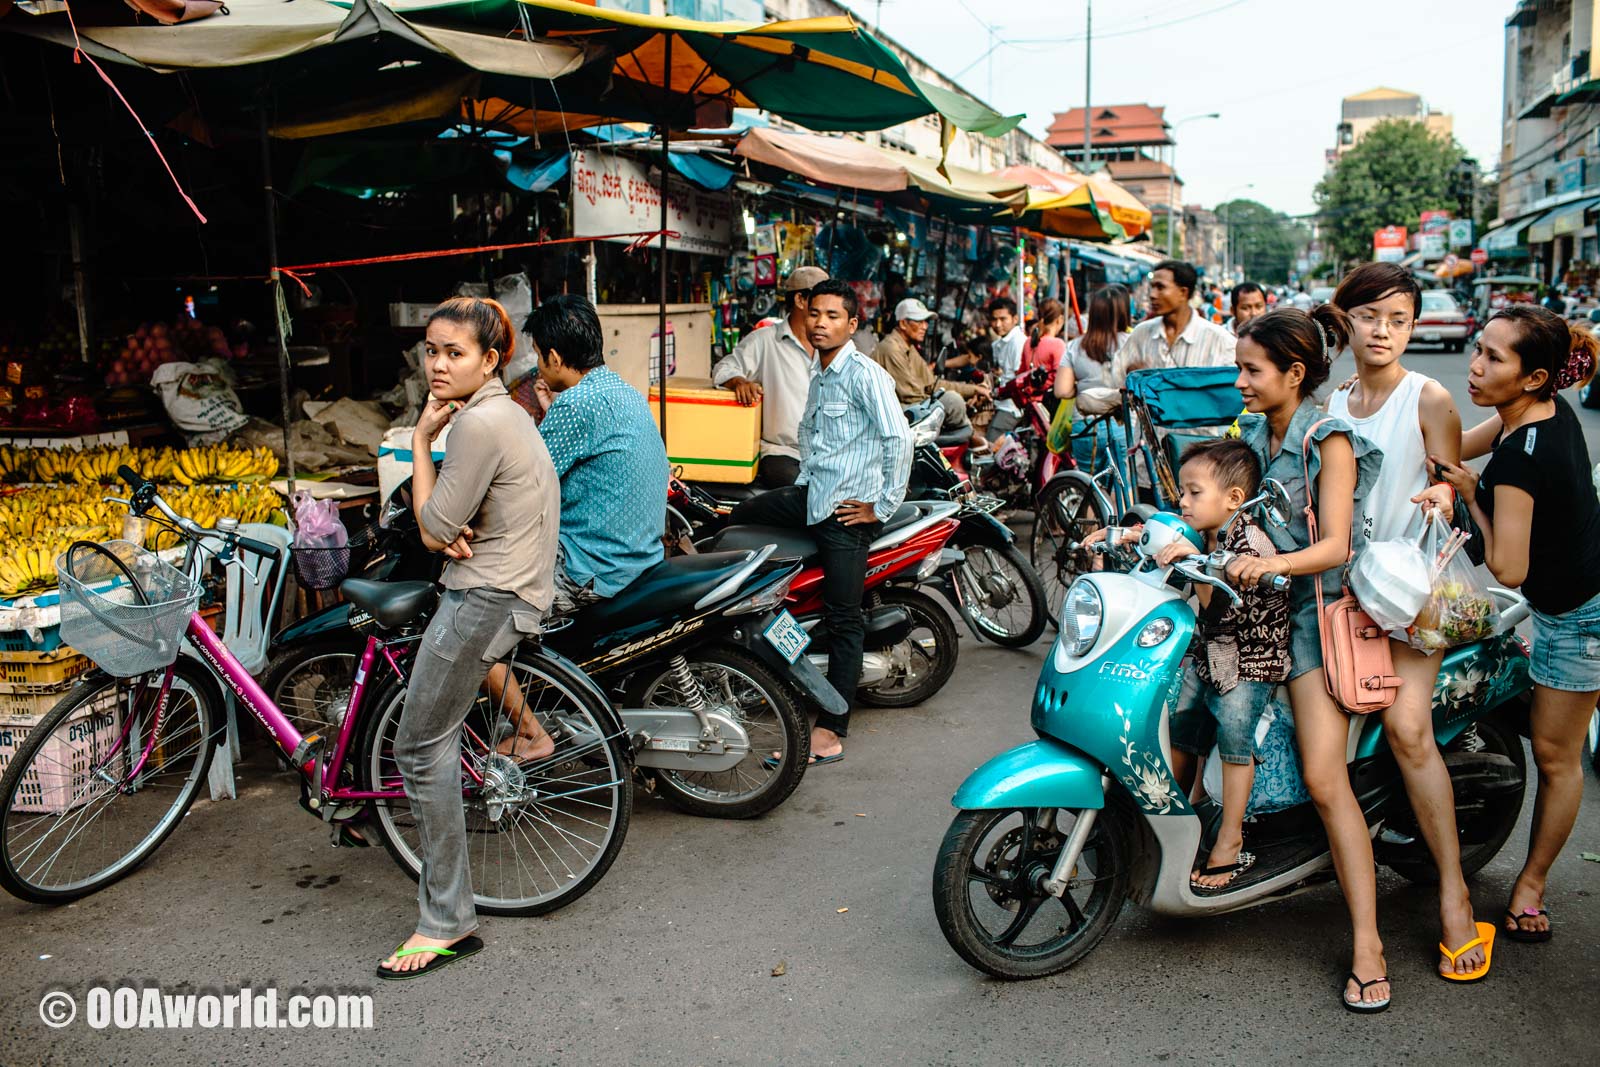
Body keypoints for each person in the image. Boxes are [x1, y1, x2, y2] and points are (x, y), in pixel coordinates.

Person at [379, 296, 560, 980]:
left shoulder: (477, 424)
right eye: (431, 350)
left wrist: (421, 442)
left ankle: (445, 921)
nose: (438, 364)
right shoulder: (503, 411)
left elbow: (429, 530)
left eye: (455, 353)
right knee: (435, 735)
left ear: (490, 360)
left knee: (419, 745)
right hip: (510, 586)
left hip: (488, 594)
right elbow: (448, 520)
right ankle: (447, 910)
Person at [1226, 305, 1392, 1013]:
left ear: (1294, 372)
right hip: (1254, 614)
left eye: (1251, 369)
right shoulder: (1255, 434)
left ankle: (1368, 943)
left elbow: (1335, 549)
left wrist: (1273, 566)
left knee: (1328, 781)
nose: (1239, 380)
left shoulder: (1329, 438)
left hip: (1313, 626)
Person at [1327, 263, 1488, 980]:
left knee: (1406, 727)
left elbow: (1452, 481)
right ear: (1348, 321)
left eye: (1397, 317)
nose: (1383, 330)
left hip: (1416, 589)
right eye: (1370, 316)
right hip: (1348, 589)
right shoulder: (1336, 399)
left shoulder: (1430, 396)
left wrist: (1442, 496)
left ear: (1413, 325)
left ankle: (1454, 892)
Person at [1432, 305, 1600, 947]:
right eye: (1478, 349)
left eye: (1493, 359)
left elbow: (1506, 563)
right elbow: (1452, 445)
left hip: (1580, 615)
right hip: (1569, 596)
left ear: (1533, 378)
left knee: (1558, 757)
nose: (1475, 366)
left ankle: (1530, 885)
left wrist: (1472, 494)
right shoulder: (1527, 417)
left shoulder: (1524, 455)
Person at [724, 279, 912, 765]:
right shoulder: (820, 368)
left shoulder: (864, 374)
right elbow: (813, 434)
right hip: (814, 496)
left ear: (852, 325)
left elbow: (899, 440)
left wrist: (880, 506)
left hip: (847, 515)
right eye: (815, 314)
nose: (821, 323)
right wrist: (805, 479)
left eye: (833, 317)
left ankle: (832, 727)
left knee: (844, 617)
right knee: (740, 513)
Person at [1155, 439, 1290, 892]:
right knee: (1183, 725)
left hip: (1251, 658)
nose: (1183, 501)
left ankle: (1230, 838)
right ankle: (1175, 822)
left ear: (1232, 499)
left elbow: (1220, 612)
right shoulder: (1205, 532)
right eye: (1183, 492)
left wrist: (1195, 562)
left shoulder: (1248, 540)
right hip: (1210, 651)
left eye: (1194, 493)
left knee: (1234, 733)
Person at [529, 294, 669, 616]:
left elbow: (526, 483)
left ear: (553, 357)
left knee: (484, 602)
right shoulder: (623, 390)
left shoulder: (576, 404)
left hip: (593, 569)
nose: (538, 366)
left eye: (538, 356)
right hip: (639, 559)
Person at [713, 265, 829, 488]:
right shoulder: (765, 340)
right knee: (808, 495)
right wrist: (739, 382)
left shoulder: (833, 344)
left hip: (829, 453)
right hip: (784, 453)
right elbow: (724, 368)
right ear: (801, 300)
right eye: (822, 299)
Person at [869, 297, 988, 446]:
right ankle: (969, 439)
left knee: (952, 399)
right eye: (919, 322)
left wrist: (972, 389)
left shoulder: (909, 348)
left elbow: (931, 383)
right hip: (895, 412)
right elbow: (911, 395)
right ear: (903, 323)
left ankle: (967, 440)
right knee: (951, 401)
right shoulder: (891, 348)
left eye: (926, 322)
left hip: (910, 405)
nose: (925, 326)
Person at [1109, 260, 1236, 387]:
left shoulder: (1220, 341)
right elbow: (1118, 379)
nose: (1152, 295)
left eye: (1160, 287)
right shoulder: (1141, 334)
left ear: (1183, 292)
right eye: (1152, 287)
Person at [1055, 287, 1129, 475]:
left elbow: (1061, 391)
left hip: (1086, 424)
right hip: (1124, 424)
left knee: (1090, 485)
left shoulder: (1074, 346)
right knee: (1124, 483)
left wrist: (1082, 388)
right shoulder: (1133, 343)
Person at [985, 296, 1026, 441]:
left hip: (1011, 407)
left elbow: (1018, 378)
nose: (997, 324)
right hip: (1001, 402)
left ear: (1015, 319)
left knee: (991, 442)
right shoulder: (998, 344)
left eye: (1003, 319)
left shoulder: (1018, 342)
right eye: (994, 320)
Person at [1019, 298, 1067, 409]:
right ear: (1059, 320)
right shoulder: (1057, 344)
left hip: (1030, 404)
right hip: (1049, 405)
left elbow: (1021, 372)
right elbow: (1061, 378)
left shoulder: (1028, 341)